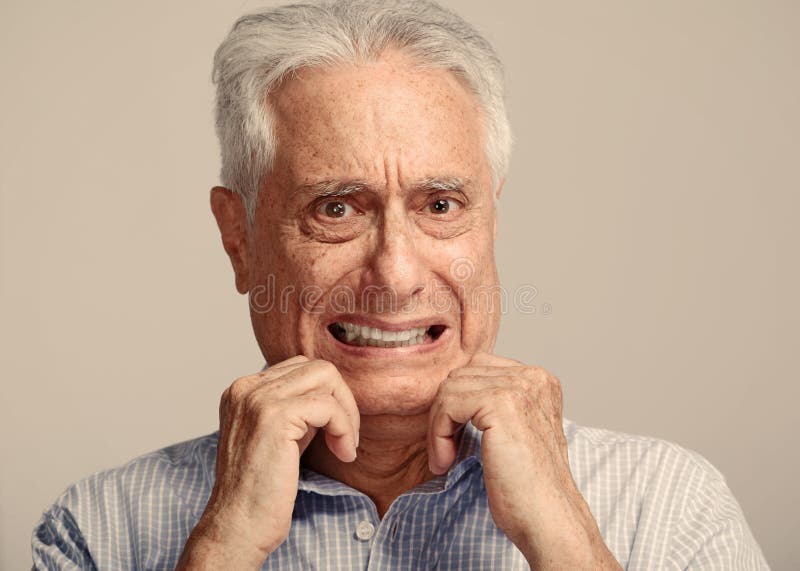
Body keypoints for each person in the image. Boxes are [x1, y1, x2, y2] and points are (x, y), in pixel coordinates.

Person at [31, 1, 769, 569]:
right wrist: (220, 548)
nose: (397, 273)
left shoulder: (668, 504)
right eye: (337, 208)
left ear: (490, 224)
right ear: (240, 240)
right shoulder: (103, 527)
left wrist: (567, 544)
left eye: (440, 206)